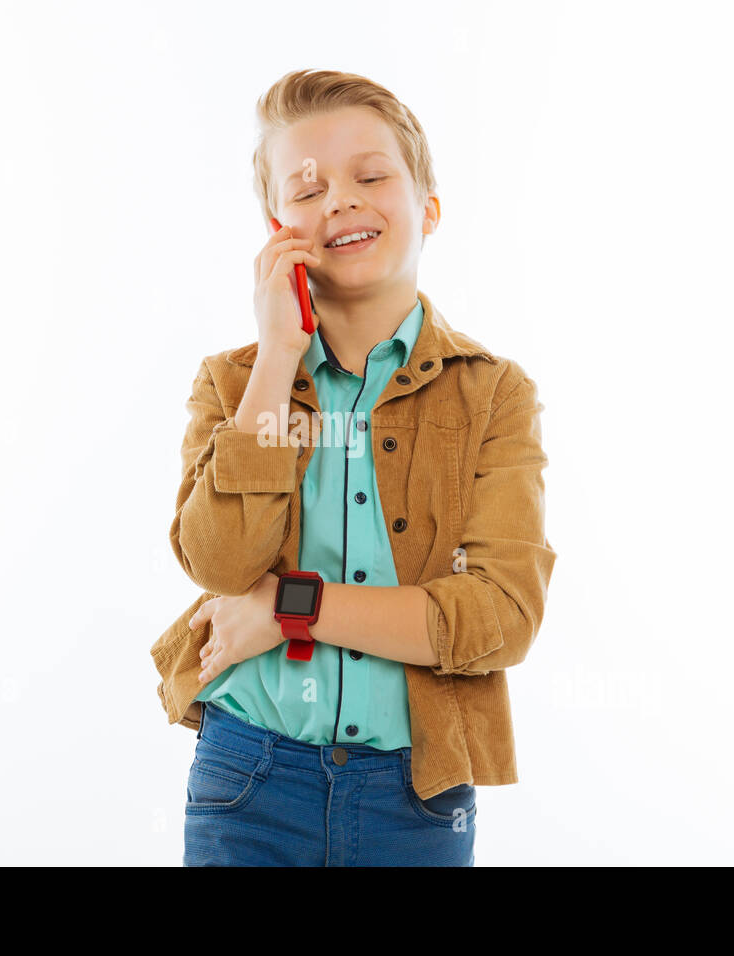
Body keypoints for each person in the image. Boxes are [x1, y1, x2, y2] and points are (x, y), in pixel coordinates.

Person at [150, 68, 557, 866]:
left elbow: (500, 616)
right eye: (306, 189)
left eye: (370, 176)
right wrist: (277, 354)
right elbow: (222, 561)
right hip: (249, 777)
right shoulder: (233, 383)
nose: (339, 199)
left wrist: (288, 610)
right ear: (276, 230)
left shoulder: (494, 395)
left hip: (415, 793)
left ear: (428, 208)